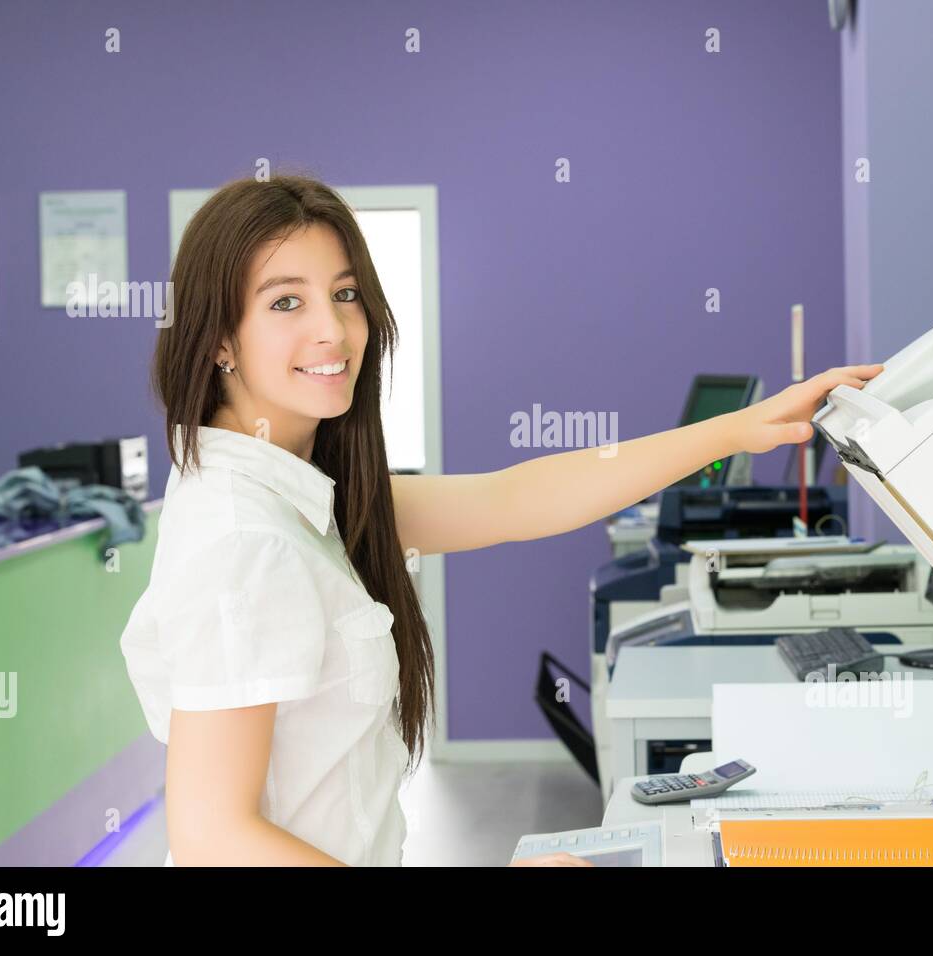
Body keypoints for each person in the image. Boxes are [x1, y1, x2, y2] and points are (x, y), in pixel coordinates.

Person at [118, 173, 883, 866]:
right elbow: (214, 837)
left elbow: (515, 499)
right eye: (286, 301)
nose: (333, 330)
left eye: (344, 294)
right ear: (219, 337)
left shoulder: (305, 495)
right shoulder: (245, 535)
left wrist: (733, 430)